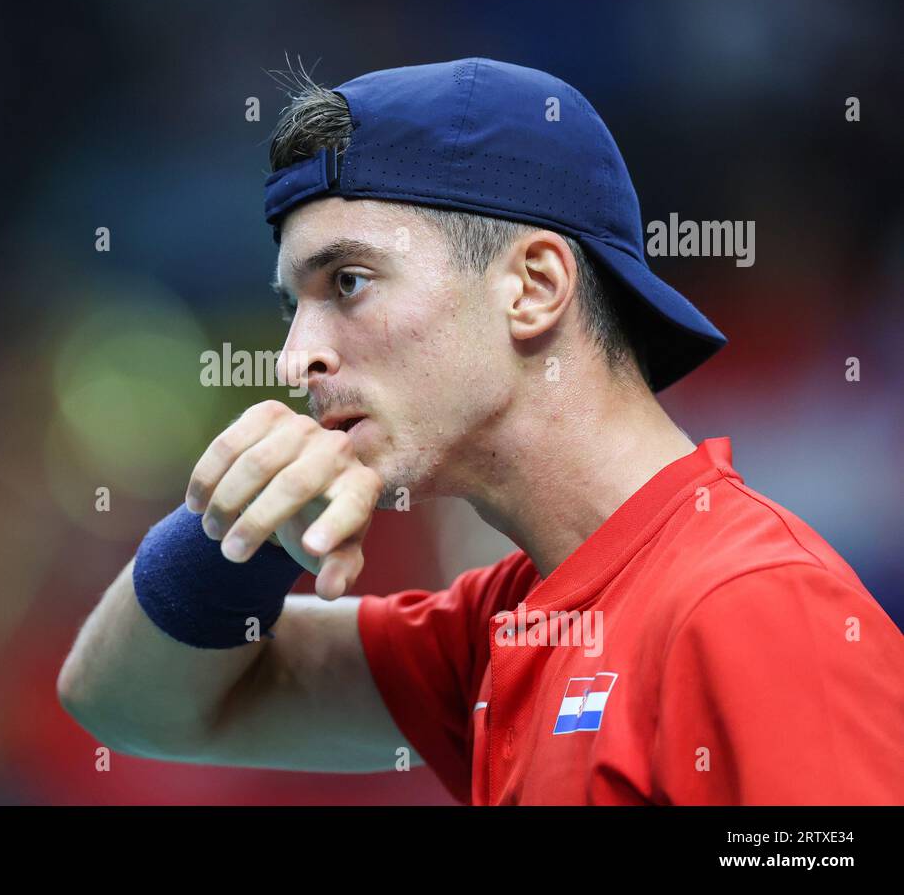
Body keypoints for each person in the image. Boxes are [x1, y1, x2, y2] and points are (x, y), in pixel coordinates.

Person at [58, 57, 904, 804]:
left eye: (347, 282)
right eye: (292, 307)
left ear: (533, 287)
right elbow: (126, 705)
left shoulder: (752, 608)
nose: (294, 361)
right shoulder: (504, 626)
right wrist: (235, 533)